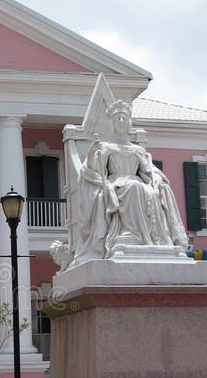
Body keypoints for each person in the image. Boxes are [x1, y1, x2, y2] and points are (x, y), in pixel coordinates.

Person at [70, 100, 187, 264]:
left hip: (136, 182)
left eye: (124, 118)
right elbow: (93, 169)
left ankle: (154, 238)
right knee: (133, 187)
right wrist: (91, 154)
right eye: (117, 118)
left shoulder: (137, 150)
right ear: (112, 123)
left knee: (153, 191)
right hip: (117, 182)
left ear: (129, 122)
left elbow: (148, 171)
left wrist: (158, 180)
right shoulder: (106, 147)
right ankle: (129, 234)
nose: (121, 121)